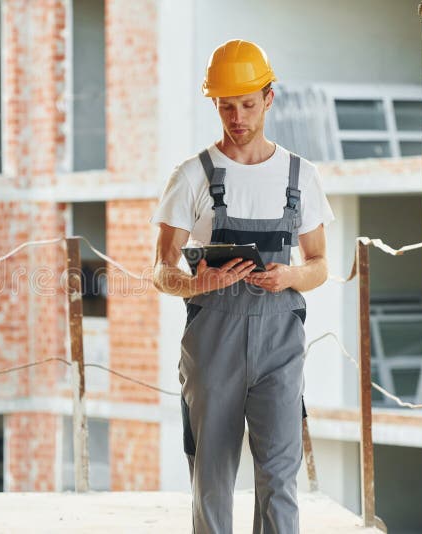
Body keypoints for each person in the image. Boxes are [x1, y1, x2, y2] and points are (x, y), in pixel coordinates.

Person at [150, 39, 334, 533]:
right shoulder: (192, 176)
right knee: (212, 477)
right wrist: (196, 282)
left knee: (279, 476)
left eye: (247, 104)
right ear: (214, 103)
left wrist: (289, 275)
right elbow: (161, 270)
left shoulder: (302, 176)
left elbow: (318, 265)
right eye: (225, 105)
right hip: (213, 340)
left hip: (280, 342)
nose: (236, 117)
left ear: (269, 98)